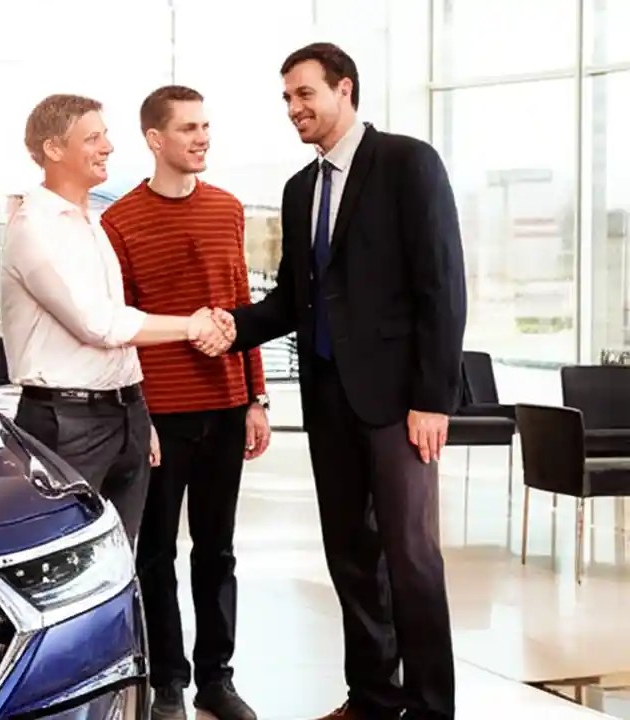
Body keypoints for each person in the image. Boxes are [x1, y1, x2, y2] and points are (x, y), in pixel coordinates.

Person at [198, 43, 467, 720]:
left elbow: (443, 287)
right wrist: (231, 327)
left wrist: (432, 399)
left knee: (410, 558)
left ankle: (432, 707)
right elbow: (294, 299)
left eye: (304, 94)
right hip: (328, 399)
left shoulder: (408, 164)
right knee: (350, 554)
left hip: (399, 403)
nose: (294, 109)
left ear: (345, 89)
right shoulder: (300, 188)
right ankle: (372, 697)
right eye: (286, 98)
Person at [100, 85, 267, 720]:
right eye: (189, 128)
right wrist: (137, 415)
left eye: (206, 127)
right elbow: (122, 326)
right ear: (154, 139)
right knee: (156, 552)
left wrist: (256, 397)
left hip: (226, 405)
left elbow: (239, 302)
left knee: (217, 549)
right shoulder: (120, 222)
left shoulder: (227, 208)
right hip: (162, 414)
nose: (201, 138)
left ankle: (217, 681)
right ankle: (168, 679)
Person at [0, 93, 226, 542]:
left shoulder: (91, 222)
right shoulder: (34, 228)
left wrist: (136, 417)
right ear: (53, 149)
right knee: (68, 562)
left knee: (122, 560)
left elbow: (115, 327)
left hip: (123, 414)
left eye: (106, 136)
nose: (108, 147)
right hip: (66, 423)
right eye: (93, 138)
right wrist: (191, 326)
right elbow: (99, 324)